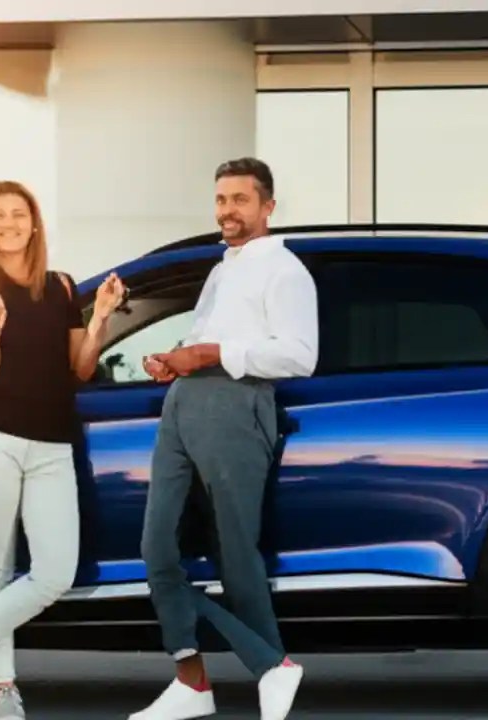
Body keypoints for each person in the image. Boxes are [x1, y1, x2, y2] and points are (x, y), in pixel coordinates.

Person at [0, 180, 125, 720]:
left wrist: (100, 314)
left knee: (55, 572)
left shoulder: (60, 288)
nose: (9, 224)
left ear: (34, 225)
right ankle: (4, 694)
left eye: (19, 214)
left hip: (53, 446)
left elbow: (81, 367)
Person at [130, 157, 319, 720]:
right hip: (184, 403)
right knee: (156, 549)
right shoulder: (222, 269)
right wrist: (173, 361)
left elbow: (300, 356)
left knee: (234, 552)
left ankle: (266, 669)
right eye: (220, 200)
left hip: (238, 403)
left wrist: (214, 355)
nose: (227, 211)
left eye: (239, 200)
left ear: (267, 206)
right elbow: (200, 337)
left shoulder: (284, 271)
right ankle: (199, 682)